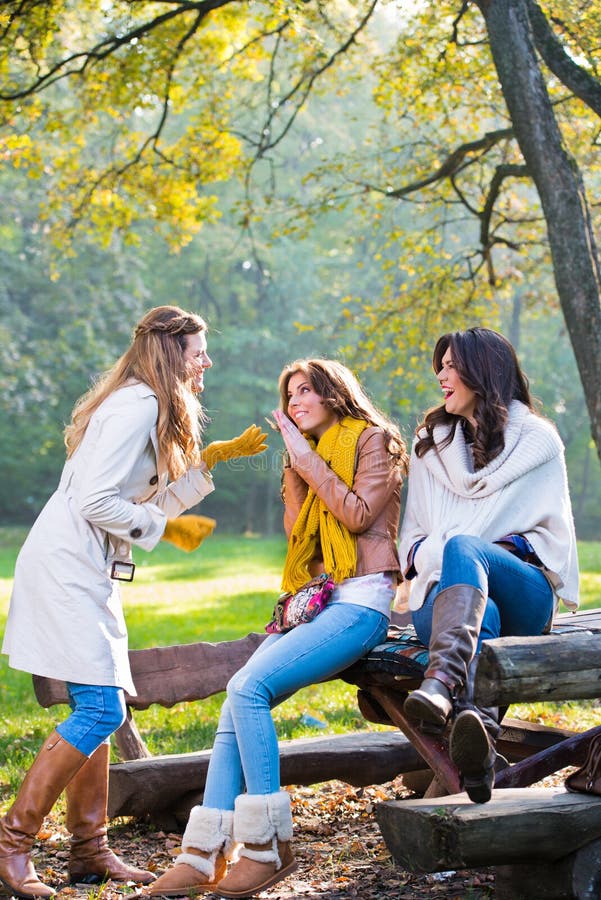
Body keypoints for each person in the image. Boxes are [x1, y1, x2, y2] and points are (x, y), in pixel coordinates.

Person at [0, 305, 268, 899]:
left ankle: (89, 852)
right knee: (98, 709)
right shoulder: (139, 405)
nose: (207, 361)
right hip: (69, 567)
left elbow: (133, 499)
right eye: (199, 351)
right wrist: (164, 528)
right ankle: (11, 841)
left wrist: (205, 466)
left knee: (103, 704)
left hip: (88, 569)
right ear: (172, 354)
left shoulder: (145, 403)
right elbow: (98, 502)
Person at [144, 358, 408, 899]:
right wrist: (296, 468)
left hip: (362, 603)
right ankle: (201, 855)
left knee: (247, 687)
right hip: (319, 602)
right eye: (290, 395)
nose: (295, 403)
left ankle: (267, 847)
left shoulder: (372, 441)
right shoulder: (304, 459)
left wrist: (307, 459)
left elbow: (358, 517)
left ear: (336, 395)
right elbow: (300, 543)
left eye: (306, 391)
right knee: (233, 706)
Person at [399, 327, 579, 803]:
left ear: (485, 372)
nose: (440, 375)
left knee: (465, 546)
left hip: (525, 591)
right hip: (443, 600)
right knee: (482, 606)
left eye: (451, 365)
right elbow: (411, 545)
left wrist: (474, 547)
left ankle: (438, 683)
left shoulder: (538, 441)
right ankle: (479, 749)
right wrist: (450, 550)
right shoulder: (430, 446)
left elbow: (551, 541)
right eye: (439, 365)